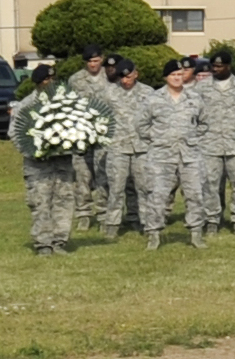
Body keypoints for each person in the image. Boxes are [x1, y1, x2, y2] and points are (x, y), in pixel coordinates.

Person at [9, 62, 79, 255]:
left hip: (62, 162)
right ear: (38, 82)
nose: (50, 82)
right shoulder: (25, 106)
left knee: (64, 201)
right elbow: (15, 134)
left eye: (52, 79)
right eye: (46, 79)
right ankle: (43, 244)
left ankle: (59, 241)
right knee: (40, 203)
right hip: (38, 166)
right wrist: (34, 150)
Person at [139, 56, 207, 249]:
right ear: (165, 77)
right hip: (161, 156)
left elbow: (204, 123)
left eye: (180, 74)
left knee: (195, 194)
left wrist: (192, 139)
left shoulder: (194, 98)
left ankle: (195, 234)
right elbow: (141, 125)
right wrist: (158, 140)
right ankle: (153, 234)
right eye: (173, 75)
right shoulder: (153, 99)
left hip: (190, 155)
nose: (177, 78)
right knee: (157, 195)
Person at [189, 50, 235, 235]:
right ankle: (212, 219)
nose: (215, 70)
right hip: (210, 144)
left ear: (229, 66)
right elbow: (195, 114)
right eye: (213, 66)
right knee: (210, 184)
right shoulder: (201, 88)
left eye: (219, 66)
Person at [95, 59, 151, 241]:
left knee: (143, 188)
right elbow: (97, 116)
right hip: (118, 147)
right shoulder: (109, 93)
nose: (125, 80)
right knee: (116, 188)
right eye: (122, 77)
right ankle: (112, 225)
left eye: (128, 76)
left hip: (142, 147)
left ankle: (147, 224)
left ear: (136, 74)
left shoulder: (148, 93)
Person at [65, 46, 112, 230]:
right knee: (82, 176)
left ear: (102, 59)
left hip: (103, 134)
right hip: (81, 135)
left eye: (96, 61)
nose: (93, 65)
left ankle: (103, 214)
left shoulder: (109, 77)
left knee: (102, 175)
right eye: (90, 62)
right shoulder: (75, 79)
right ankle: (83, 214)